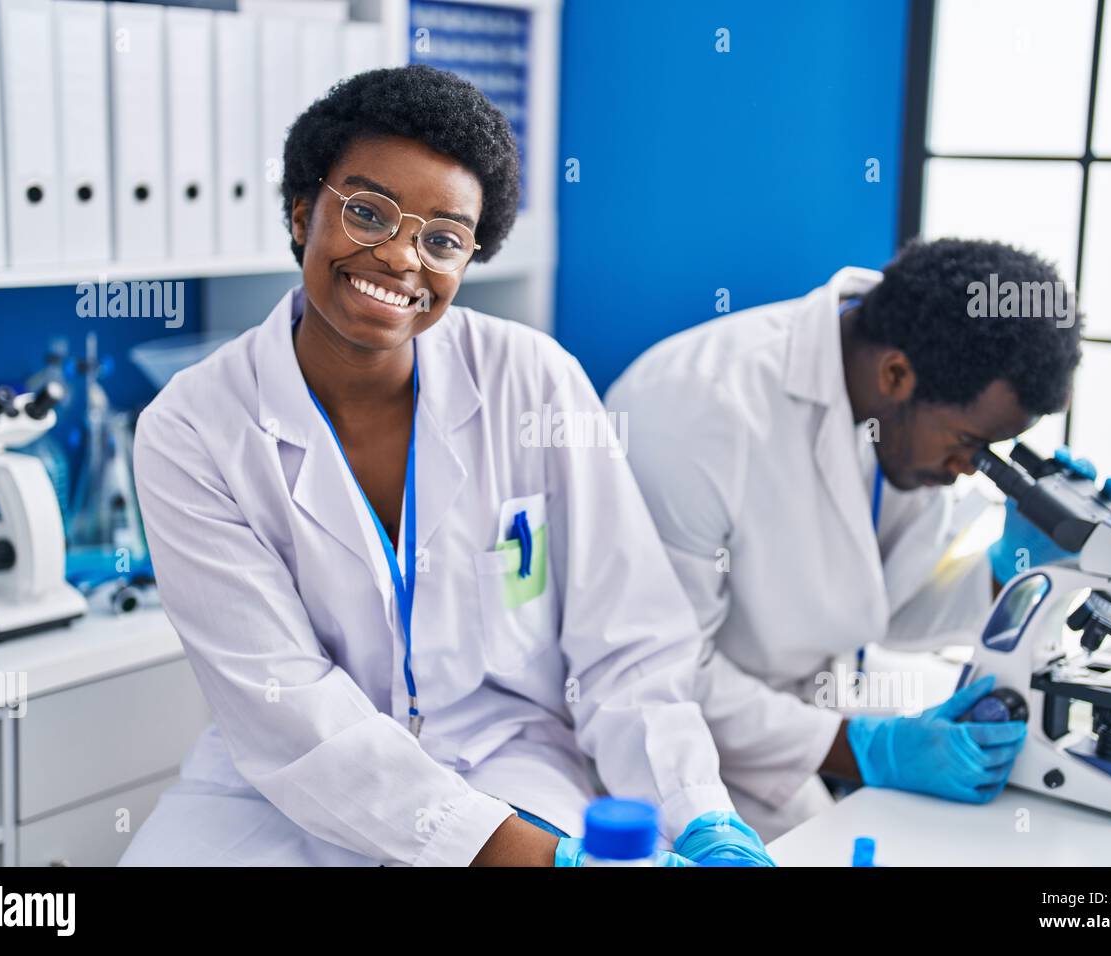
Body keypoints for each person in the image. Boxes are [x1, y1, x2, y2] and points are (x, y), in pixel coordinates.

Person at [120, 65, 772, 867]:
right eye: (367, 212)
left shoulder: (533, 380)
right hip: (282, 786)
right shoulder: (190, 429)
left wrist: (697, 810)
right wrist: (537, 861)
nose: (399, 257)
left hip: (509, 757)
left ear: (470, 259)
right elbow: (284, 707)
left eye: (442, 239)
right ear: (302, 213)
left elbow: (627, 645)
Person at [605, 238, 1096, 840]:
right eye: (968, 443)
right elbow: (663, 676)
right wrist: (866, 749)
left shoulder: (906, 414)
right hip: (668, 759)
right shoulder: (696, 410)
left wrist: (1013, 570)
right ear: (896, 374)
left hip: (804, 723)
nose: (968, 469)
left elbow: (885, 609)